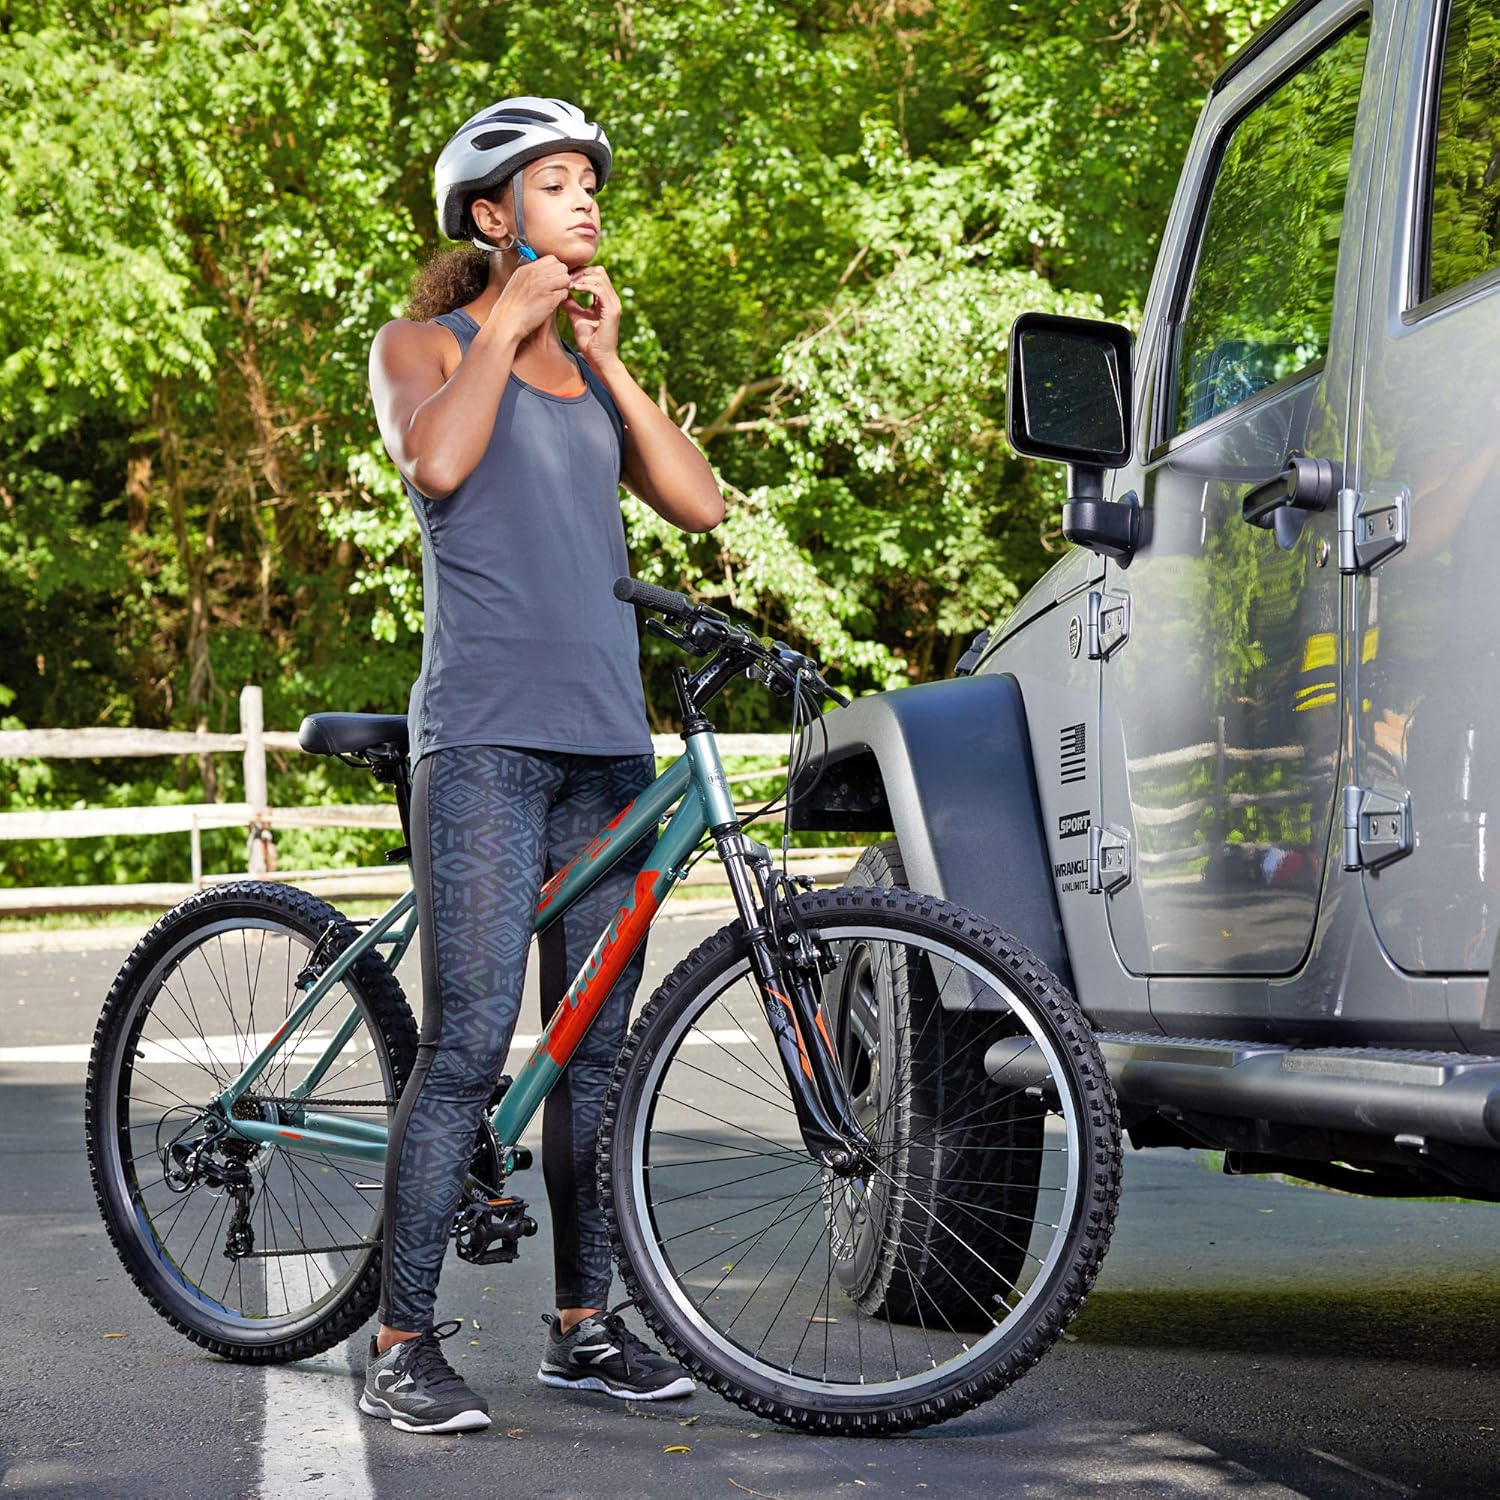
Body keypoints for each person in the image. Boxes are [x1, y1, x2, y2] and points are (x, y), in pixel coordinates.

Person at [359, 96, 724, 1435]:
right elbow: (438, 462)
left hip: (604, 757)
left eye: (590, 181)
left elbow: (699, 503)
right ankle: (401, 1340)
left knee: (597, 1056)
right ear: (491, 215)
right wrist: (506, 331)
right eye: (555, 183)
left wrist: (613, 363)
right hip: (487, 743)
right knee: (466, 1044)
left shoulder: (584, 371)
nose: (585, 201)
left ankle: (583, 1327)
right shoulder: (424, 345)